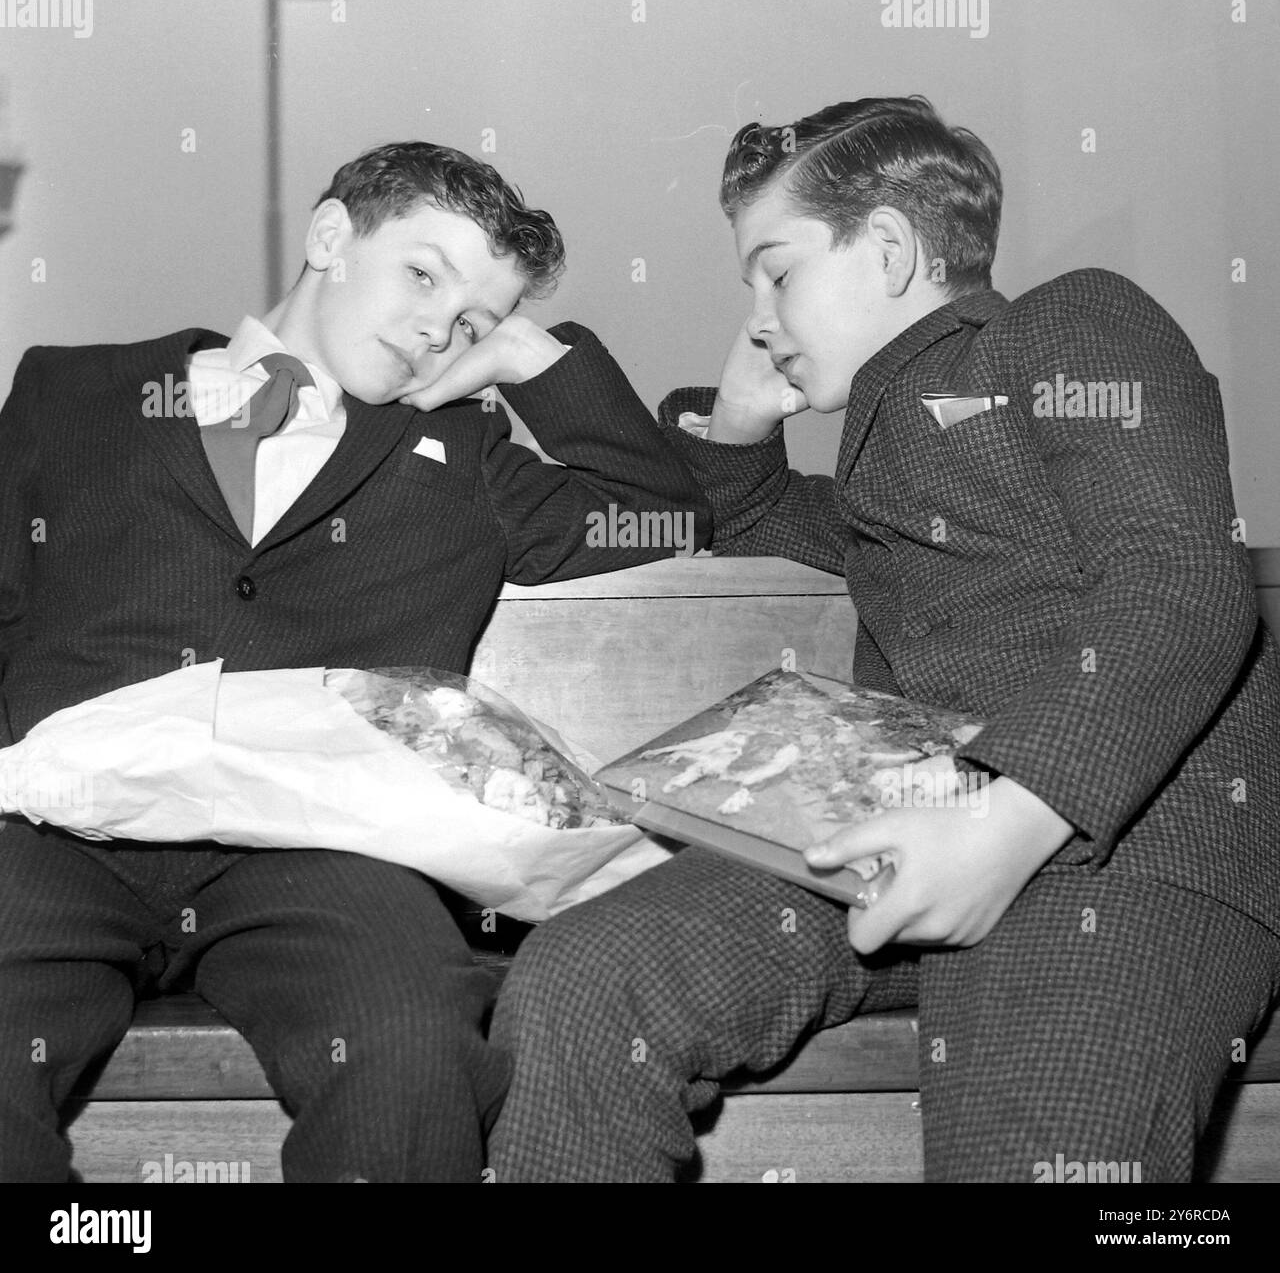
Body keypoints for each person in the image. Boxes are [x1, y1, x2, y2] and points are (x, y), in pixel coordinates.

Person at [485, 96, 1280, 1182]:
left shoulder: (1068, 323)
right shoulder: (881, 461)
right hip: (908, 828)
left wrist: (1011, 819)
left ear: (893, 249)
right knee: (585, 978)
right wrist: (738, 423)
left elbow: (1179, 578)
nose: (758, 317)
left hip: (1119, 837)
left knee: (1033, 1149)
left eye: (776, 274)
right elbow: (751, 517)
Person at [0, 140, 710, 1182]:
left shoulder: (463, 461)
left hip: (320, 851)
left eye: (472, 321)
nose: (437, 328)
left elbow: (664, 516)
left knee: (409, 1043)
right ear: (332, 236)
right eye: (423, 274)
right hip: (56, 832)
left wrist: (534, 359)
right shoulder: (73, 392)